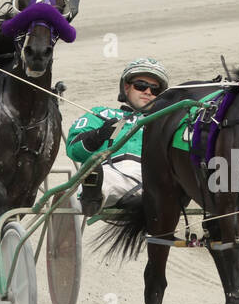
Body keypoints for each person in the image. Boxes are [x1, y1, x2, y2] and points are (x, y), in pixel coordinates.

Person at [65, 57, 169, 214]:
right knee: (100, 177)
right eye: (141, 86)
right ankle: (93, 195)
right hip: (111, 172)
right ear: (126, 87)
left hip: (154, 176)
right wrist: (97, 136)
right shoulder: (102, 114)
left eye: (155, 90)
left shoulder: (166, 121)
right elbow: (73, 149)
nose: (148, 92)